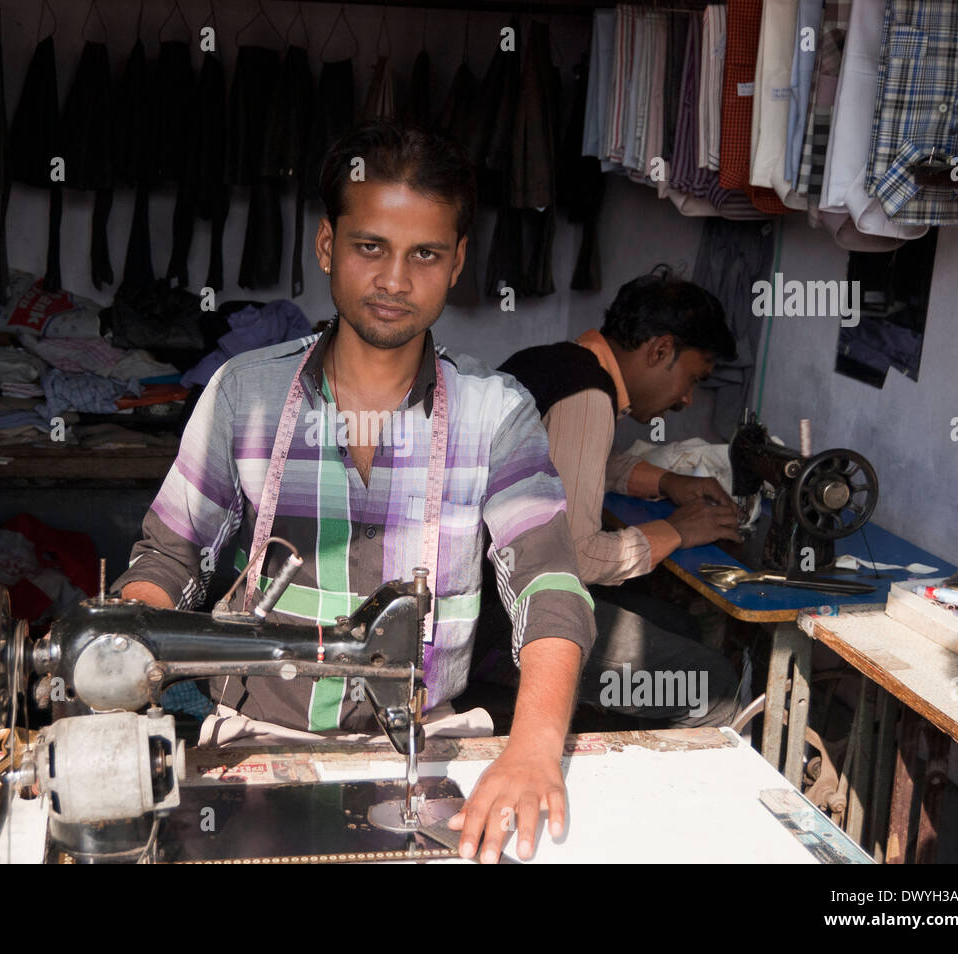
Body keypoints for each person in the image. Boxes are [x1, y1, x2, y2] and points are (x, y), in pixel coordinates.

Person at [115, 121, 597, 865]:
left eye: (425, 254)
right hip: (255, 746)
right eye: (371, 247)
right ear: (327, 246)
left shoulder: (494, 414)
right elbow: (171, 557)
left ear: (458, 262)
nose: (395, 281)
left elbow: (550, 583)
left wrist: (534, 748)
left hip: (423, 747)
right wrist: (122, 650)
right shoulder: (246, 393)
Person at [493, 267, 744, 728]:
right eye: (693, 379)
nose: (687, 400)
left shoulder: (550, 361)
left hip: (491, 590)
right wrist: (678, 530)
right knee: (713, 686)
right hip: (509, 616)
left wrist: (668, 483)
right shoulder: (587, 395)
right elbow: (579, 558)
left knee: (680, 627)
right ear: (661, 349)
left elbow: (578, 464)